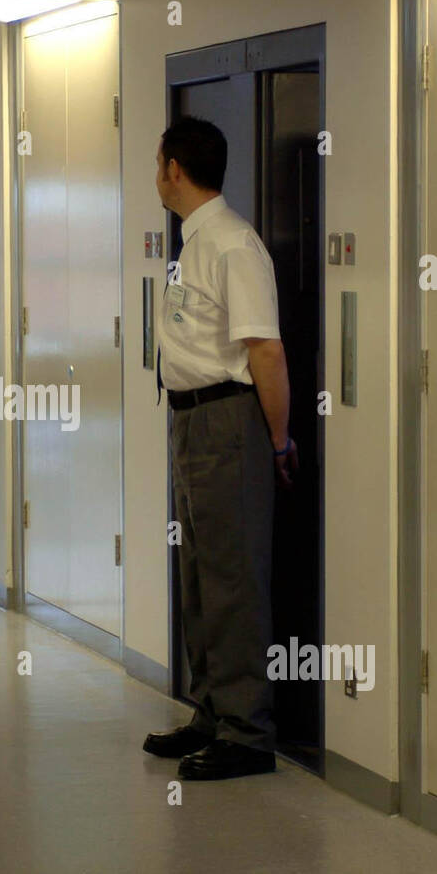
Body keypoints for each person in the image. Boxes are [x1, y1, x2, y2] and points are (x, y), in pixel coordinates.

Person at [143, 116, 298, 779]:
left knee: (232, 579)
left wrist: (276, 438)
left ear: (173, 169)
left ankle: (246, 733)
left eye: (157, 164)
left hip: (228, 422)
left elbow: (264, 348)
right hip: (189, 422)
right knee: (199, 575)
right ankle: (210, 710)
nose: (156, 175)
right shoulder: (194, 241)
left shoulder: (233, 245)